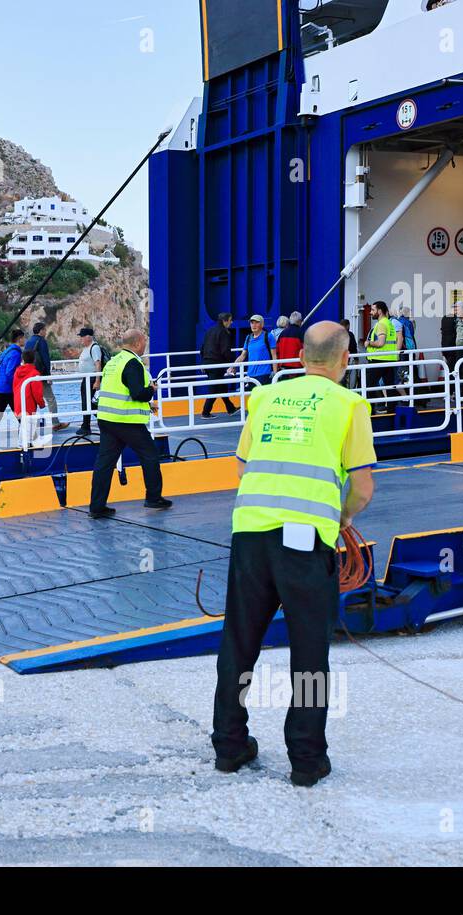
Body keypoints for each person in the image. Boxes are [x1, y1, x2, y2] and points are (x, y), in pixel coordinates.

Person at [212, 321, 376, 788]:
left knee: (239, 643)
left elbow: (243, 466)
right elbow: (362, 487)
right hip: (306, 543)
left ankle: (229, 745)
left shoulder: (264, 396)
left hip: (250, 533)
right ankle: (306, 760)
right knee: (309, 654)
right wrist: (340, 518)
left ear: (301, 356)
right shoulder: (349, 405)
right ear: (345, 359)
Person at [88, 327, 169, 518]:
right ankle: (153, 498)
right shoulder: (133, 363)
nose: (145, 347)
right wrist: (151, 389)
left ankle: (97, 507)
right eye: (144, 344)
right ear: (138, 343)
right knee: (149, 455)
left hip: (107, 419)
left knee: (104, 464)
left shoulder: (113, 362)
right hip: (126, 421)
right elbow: (136, 393)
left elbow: (118, 391)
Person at [0, 329, 25, 446]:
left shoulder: (7, 351)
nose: (24, 340)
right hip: (9, 389)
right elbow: (10, 372)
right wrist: (18, 385)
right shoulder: (16, 354)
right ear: (19, 338)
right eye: (23, 338)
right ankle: (28, 437)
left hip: (0, 387)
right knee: (20, 413)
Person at [27, 321, 66, 431]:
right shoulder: (41, 341)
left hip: (30, 375)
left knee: (33, 400)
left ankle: (31, 424)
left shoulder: (28, 341)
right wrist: (48, 376)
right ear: (41, 331)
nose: (46, 332)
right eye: (44, 330)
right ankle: (55, 423)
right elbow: (45, 358)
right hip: (41, 375)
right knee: (50, 399)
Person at [363, 300, 402, 405]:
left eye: (372, 310)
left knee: (368, 386)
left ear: (379, 311)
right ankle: (392, 411)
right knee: (390, 387)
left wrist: (368, 343)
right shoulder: (389, 323)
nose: (371, 312)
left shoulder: (381, 324)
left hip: (379, 359)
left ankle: (370, 412)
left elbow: (381, 343)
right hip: (390, 359)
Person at [200, 312, 237, 418]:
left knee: (221, 387)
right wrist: (232, 364)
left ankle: (231, 408)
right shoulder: (224, 333)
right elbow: (226, 350)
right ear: (225, 321)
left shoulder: (209, 331)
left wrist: (204, 362)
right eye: (230, 320)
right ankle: (205, 412)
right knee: (214, 389)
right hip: (217, 364)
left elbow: (202, 348)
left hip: (208, 363)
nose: (231, 322)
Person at [11, 346, 46, 447]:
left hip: (18, 401)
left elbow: (14, 387)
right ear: (34, 360)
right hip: (29, 403)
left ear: (23, 359)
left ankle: (22, 443)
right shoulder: (35, 373)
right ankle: (27, 443)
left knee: (24, 424)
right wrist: (41, 403)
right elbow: (37, 392)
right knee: (30, 424)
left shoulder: (17, 372)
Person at [229, 315, 276, 388]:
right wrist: (233, 366)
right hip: (250, 375)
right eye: (252, 323)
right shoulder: (248, 338)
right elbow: (243, 355)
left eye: (256, 322)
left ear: (262, 324)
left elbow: (274, 355)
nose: (254, 325)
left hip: (264, 374)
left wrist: (275, 373)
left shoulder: (268, 336)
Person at [76, 327, 105, 435]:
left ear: (88, 337)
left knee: (88, 403)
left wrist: (97, 380)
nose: (81, 339)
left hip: (92, 378)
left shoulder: (94, 347)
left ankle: (86, 426)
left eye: (82, 337)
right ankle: (104, 421)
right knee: (88, 403)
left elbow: (98, 364)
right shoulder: (87, 347)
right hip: (87, 378)